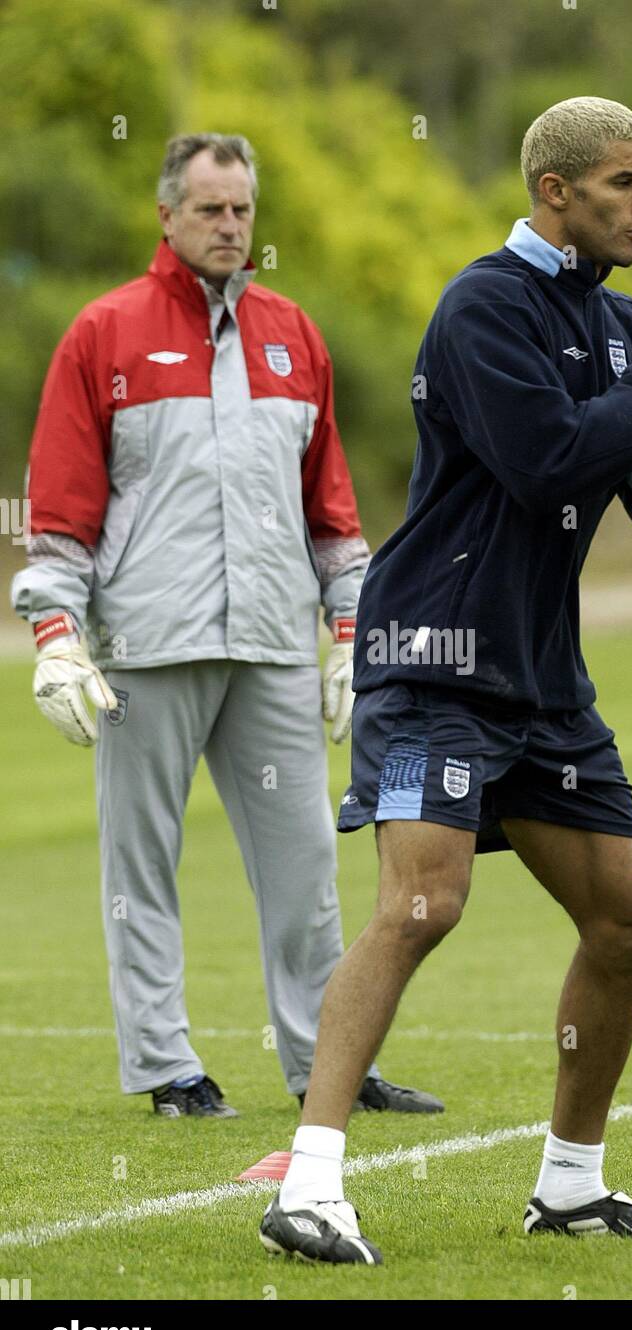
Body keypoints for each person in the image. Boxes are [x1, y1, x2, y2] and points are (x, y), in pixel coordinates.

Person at [258, 97, 632, 1262]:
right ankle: (309, 1182)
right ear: (555, 191)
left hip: (541, 675)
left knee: (626, 922)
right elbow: (546, 453)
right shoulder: (480, 306)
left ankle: (570, 1186)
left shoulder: (621, 322)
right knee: (421, 903)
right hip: (435, 653)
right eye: (620, 184)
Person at [11, 132, 443, 1120]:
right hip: (146, 650)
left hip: (272, 647)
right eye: (209, 209)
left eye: (242, 209)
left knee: (306, 868)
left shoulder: (294, 332)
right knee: (141, 866)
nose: (229, 226)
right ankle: (168, 1068)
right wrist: (55, 635)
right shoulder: (104, 333)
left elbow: (330, 512)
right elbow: (64, 508)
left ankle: (327, 1063)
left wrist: (350, 635)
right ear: (166, 215)